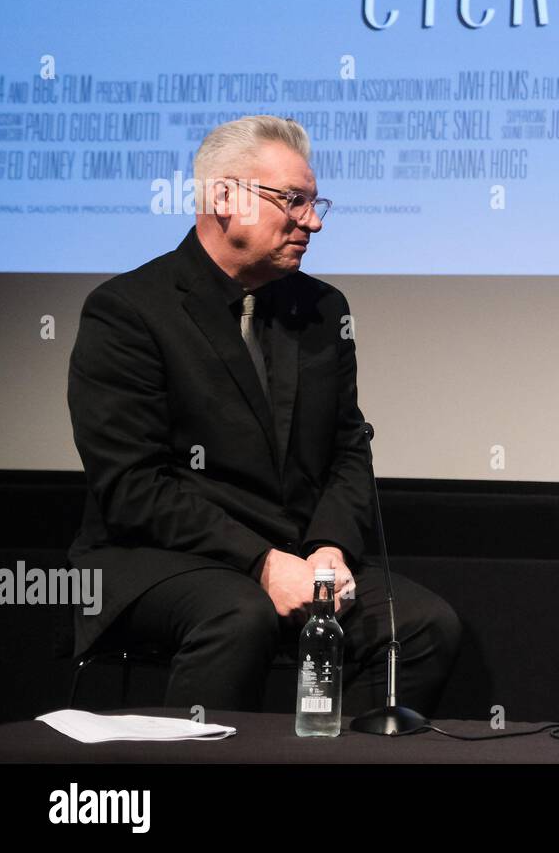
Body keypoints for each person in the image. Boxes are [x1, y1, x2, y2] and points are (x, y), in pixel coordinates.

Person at [67, 115, 461, 715]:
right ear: (223, 197)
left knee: (425, 626)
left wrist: (329, 546)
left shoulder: (323, 309)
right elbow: (132, 486)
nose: (313, 220)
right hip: (161, 562)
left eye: (315, 201)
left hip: (299, 557)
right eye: (292, 201)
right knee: (240, 614)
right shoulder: (128, 312)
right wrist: (260, 563)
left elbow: (348, 447)